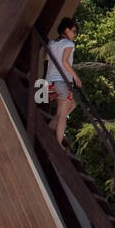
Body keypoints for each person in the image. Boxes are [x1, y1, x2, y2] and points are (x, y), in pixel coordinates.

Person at [45, 18, 82, 146]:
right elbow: (65, 62)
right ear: (66, 30)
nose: (75, 34)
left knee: (72, 104)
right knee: (62, 115)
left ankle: (50, 127)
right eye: (74, 31)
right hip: (62, 82)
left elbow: (46, 58)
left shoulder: (51, 44)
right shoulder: (69, 44)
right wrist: (76, 78)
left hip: (49, 83)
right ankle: (58, 143)